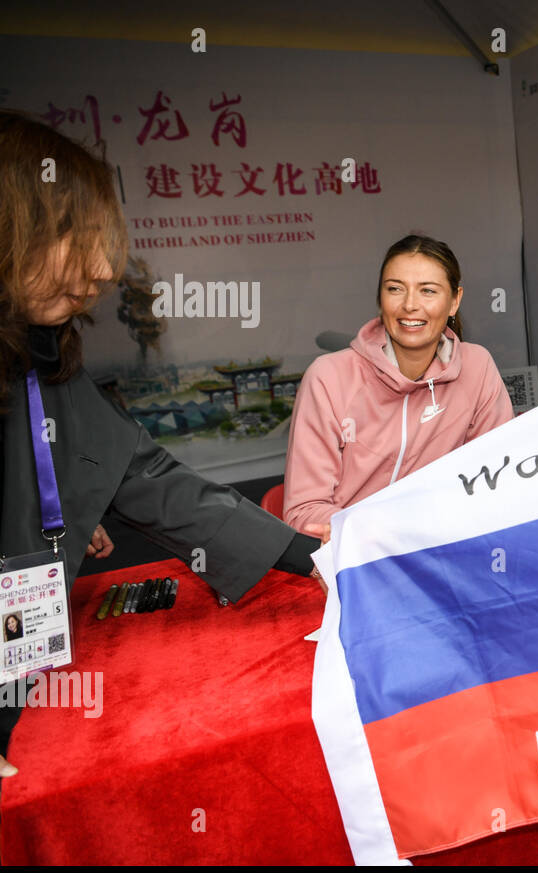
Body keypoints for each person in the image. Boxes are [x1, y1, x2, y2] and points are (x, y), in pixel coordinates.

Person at [0, 109, 325, 780]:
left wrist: (313, 557)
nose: (101, 272)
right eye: (74, 238)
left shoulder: (39, 353)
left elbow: (145, 477)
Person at [282, 235, 513, 532]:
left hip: (445, 545)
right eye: (395, 289)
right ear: (380, 299)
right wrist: (384, 535)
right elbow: (304, 511)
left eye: (428, 291)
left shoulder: (477, 366)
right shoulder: (328, 377)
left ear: (454, 301)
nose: (410, 305)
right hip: (357, 559)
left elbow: (497, 477)